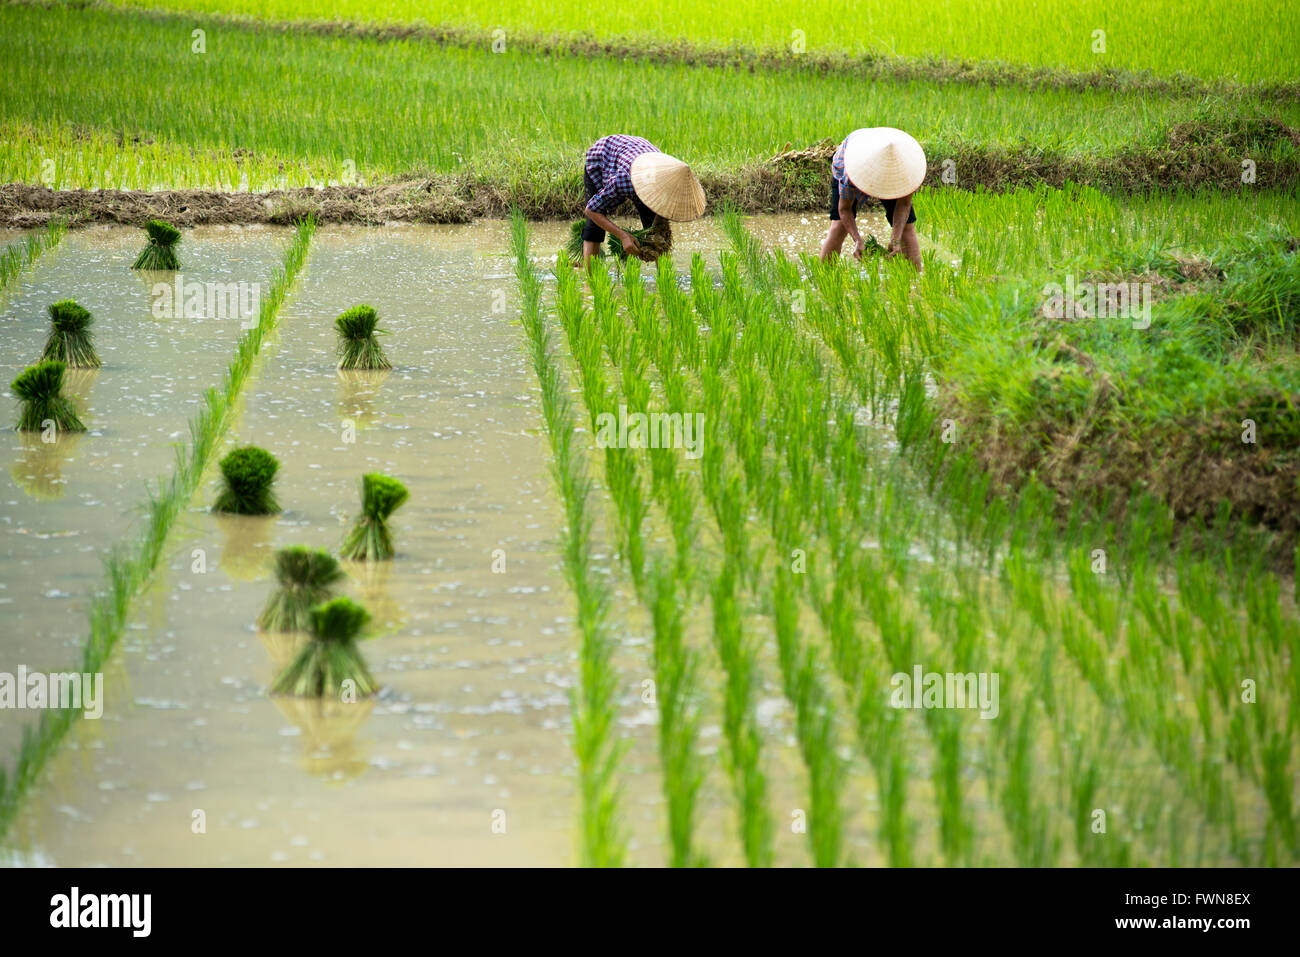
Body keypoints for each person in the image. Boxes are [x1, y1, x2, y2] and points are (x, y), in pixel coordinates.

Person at [580, 134, 706, 262]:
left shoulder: (670, 179)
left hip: (639, 153)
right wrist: (623, 236)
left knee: (658, 236)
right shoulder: (624, 180)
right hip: (603, 156)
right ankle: (591, 280)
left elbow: (659, 233)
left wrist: (658, 229)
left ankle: (662, 278)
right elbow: (591, 210)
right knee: (594, 230)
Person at [819, 127, 926, 269]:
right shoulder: (851, 171)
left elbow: (904, 205)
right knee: (838, 226)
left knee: (907, 228)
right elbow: (844, 209)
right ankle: (824, 277)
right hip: (854, 159)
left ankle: (915, 281)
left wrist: (895, 239)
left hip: (892, 157)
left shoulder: (906, 170)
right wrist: (857, 240)